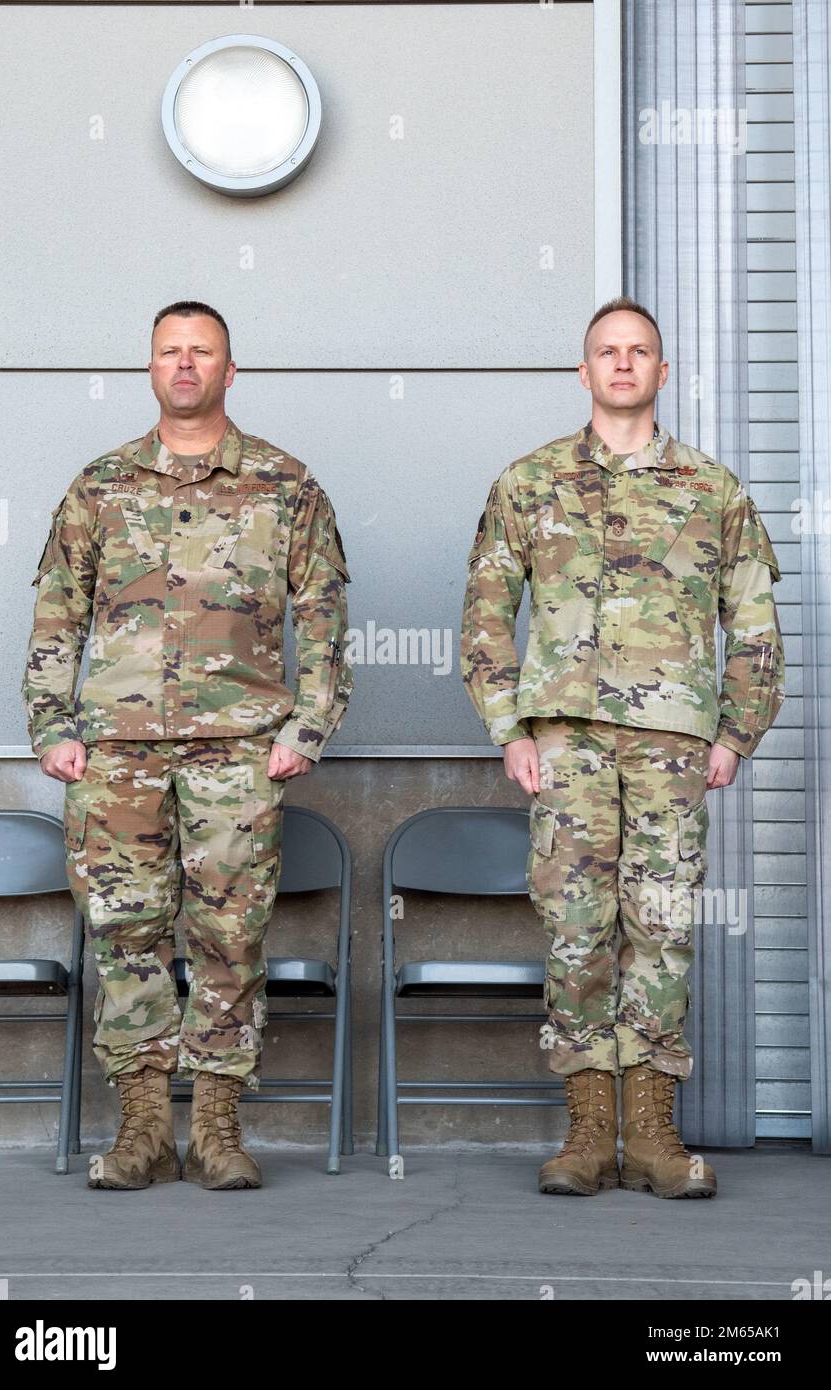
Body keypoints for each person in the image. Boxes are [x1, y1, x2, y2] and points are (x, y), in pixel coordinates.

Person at [22, 300, 352, 1191]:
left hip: (239, 755)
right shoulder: (102, 485)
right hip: (115, 754)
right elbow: (58, 608)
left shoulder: (285, 486)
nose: (184, 364)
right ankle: (139, 1129)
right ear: (150, 368)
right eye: (169, 351)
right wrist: (53, 727)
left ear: (229, 371)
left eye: (201, 351)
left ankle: (214, 1125)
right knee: (124, 930)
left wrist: (305, 730)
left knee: (230, 935)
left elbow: (325, 620)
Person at [460, 295, 784, 1199]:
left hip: (675, 745)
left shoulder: (712, 491)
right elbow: (485, 616)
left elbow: (754, 625)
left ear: (662, 371)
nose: (624, 364)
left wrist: (736, 732)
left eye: (640, 351)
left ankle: (651, 1132)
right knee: (575, 928)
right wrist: (508, 727)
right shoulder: (530, 483)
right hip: (563, 744)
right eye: (608, 351)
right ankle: (586, 1134)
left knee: (663, 926)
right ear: (585, 370)